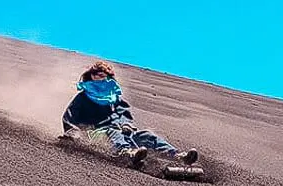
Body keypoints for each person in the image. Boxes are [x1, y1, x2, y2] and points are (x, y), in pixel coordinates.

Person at [61, 61, 198, 165]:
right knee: (112, 132)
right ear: (92, 76)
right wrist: (74, 133)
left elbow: (123, 114)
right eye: (100, 76)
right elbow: (69, 117)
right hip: (95, 133)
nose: (103, 80)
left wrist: (127, 124)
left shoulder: (113, 98)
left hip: (121, 132)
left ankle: (177, 155)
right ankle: (126, 152)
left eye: (106, 77)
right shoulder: (83, 97)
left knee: (146, 135)